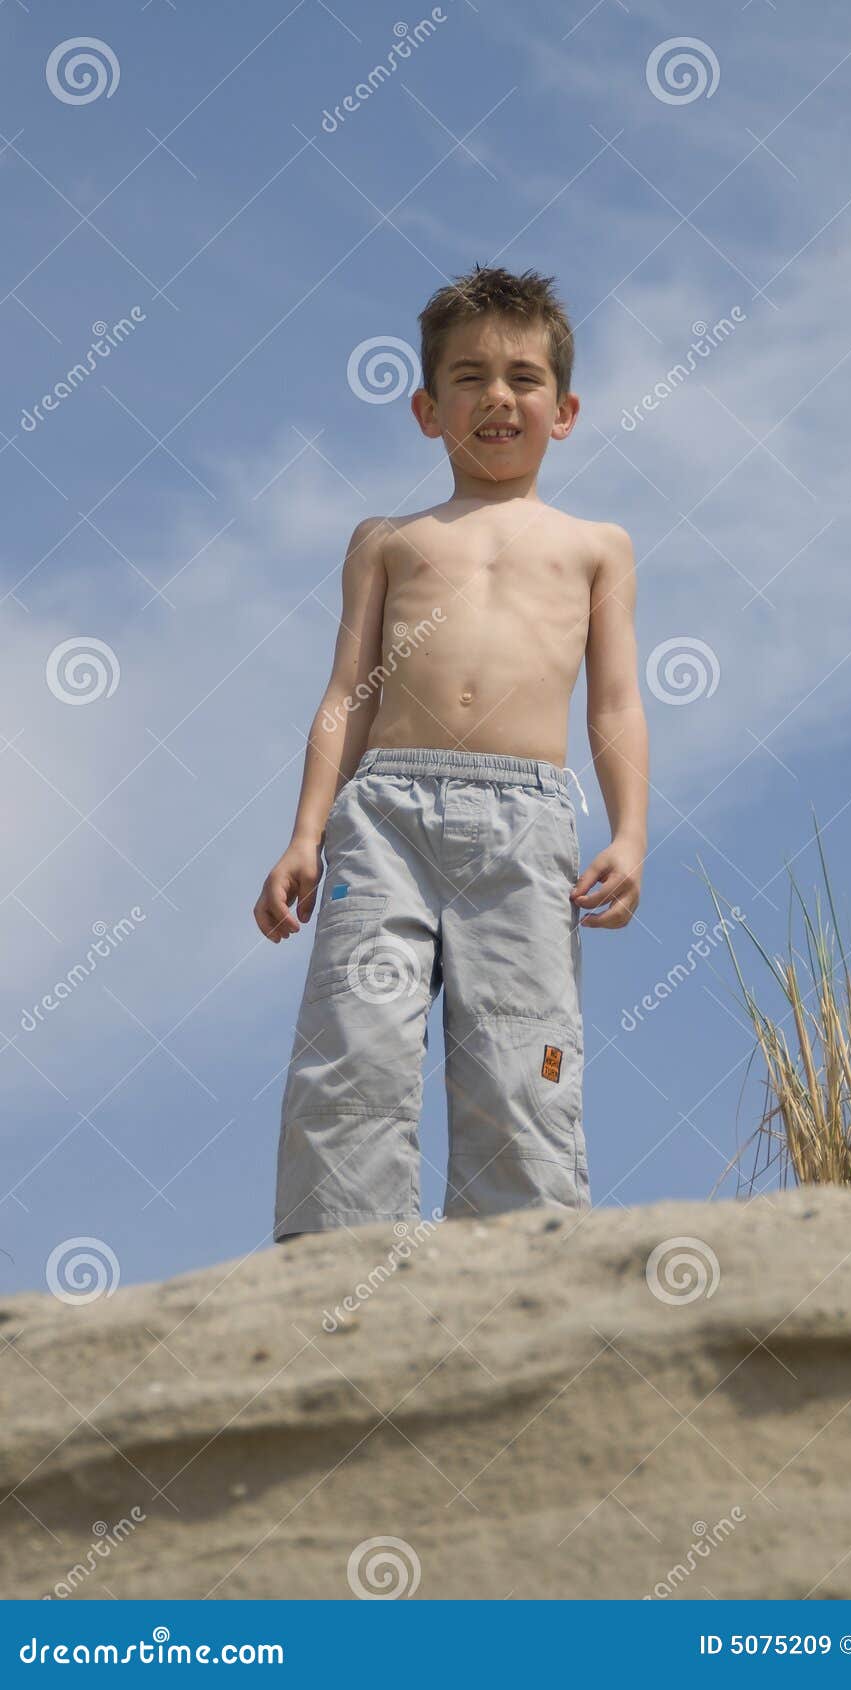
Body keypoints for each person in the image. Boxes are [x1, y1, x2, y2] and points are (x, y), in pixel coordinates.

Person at [254, 263, 648, 1241]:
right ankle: (334, 1272)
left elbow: (614, 702)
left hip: (527, 824)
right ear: (428, 409)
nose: (496, 396)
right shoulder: (387, 540)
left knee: (524, 1059)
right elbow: (345, 695)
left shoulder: (594, 545)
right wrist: (305, 833)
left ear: (563, 410)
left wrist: (631, 833)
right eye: (468, 377)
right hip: (384, 819)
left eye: (522, 376)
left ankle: (517, 1270)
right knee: (355, 1045)